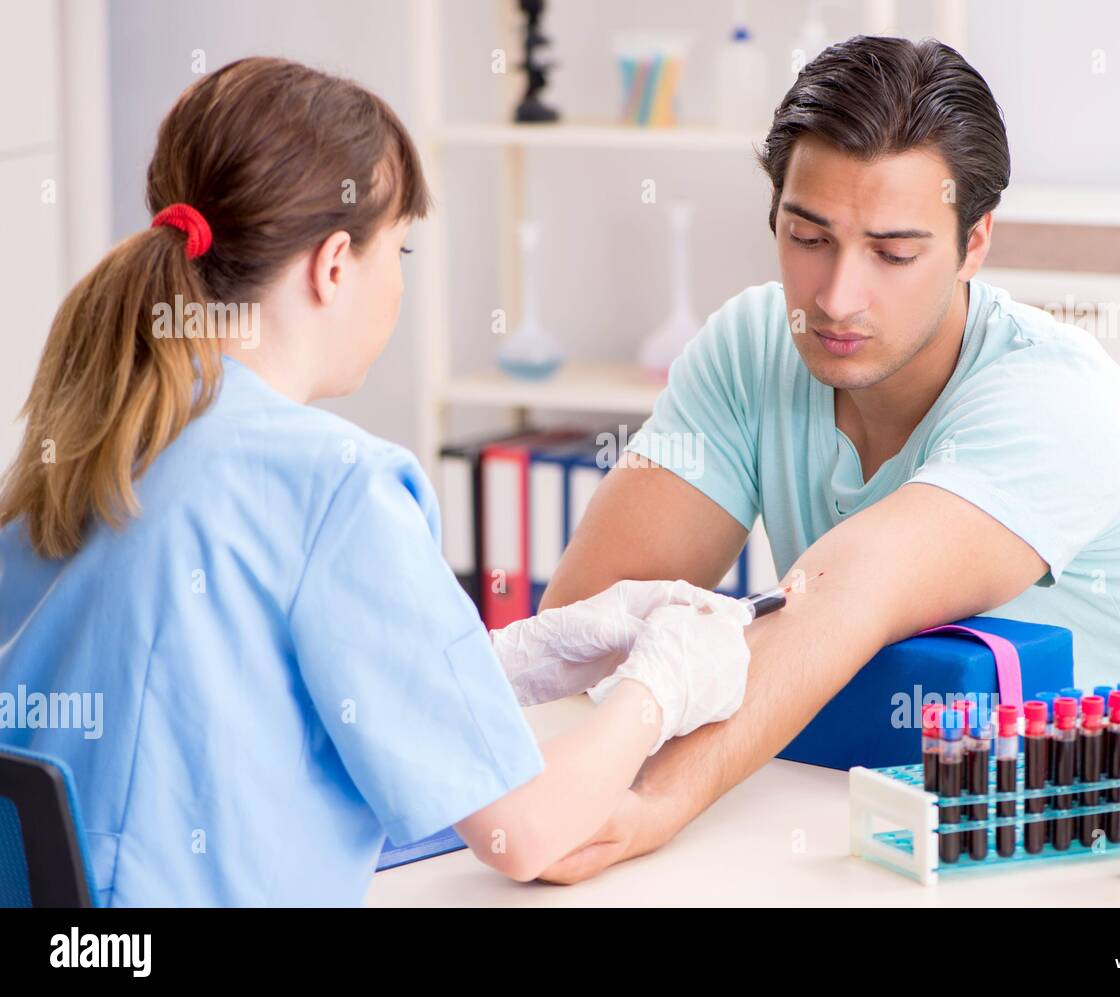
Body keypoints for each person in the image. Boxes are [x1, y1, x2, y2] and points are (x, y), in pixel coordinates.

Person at [0, 56, 751, 907]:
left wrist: (511, 661)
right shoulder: (334, 485)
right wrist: (663, 685)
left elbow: (242, 691)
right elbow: (528, 832)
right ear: (331, 265)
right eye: (399, 248)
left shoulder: (91, 448)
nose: (398, 278)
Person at [535, 34, 1120, 883]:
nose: (838, 297)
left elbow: (839, 603)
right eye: (808, 237)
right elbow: (583, 634)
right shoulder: (753, 345)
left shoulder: (1055, 399)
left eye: (894, 253)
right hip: (928, 813)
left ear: (973, 244)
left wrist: (652, 803)